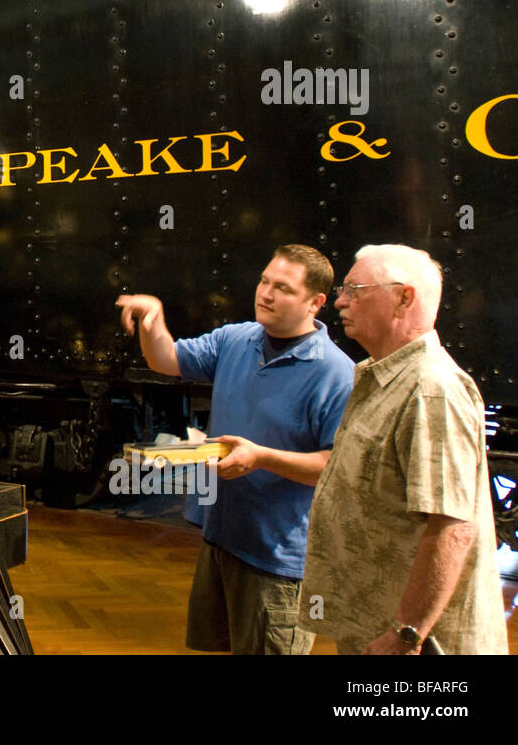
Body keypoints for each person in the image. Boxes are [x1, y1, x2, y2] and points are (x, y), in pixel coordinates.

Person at [116, 244, 354, 654]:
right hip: (221, 538)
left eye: (283, 288)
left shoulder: (336, 373)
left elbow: (337, 467)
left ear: (315, 302)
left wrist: (260, 457)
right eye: (264, 281)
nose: (265, 293)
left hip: (278, 558)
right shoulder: (236, 339)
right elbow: (165, 359)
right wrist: (153, 318)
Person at [300, 245, 507, 654]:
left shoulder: (432, 389)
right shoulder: (381, 377)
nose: (341, 300)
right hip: (373, 626)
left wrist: (406, 633)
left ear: (404, 299)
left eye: (356, 290)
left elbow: (452, 526)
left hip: (417, 644)